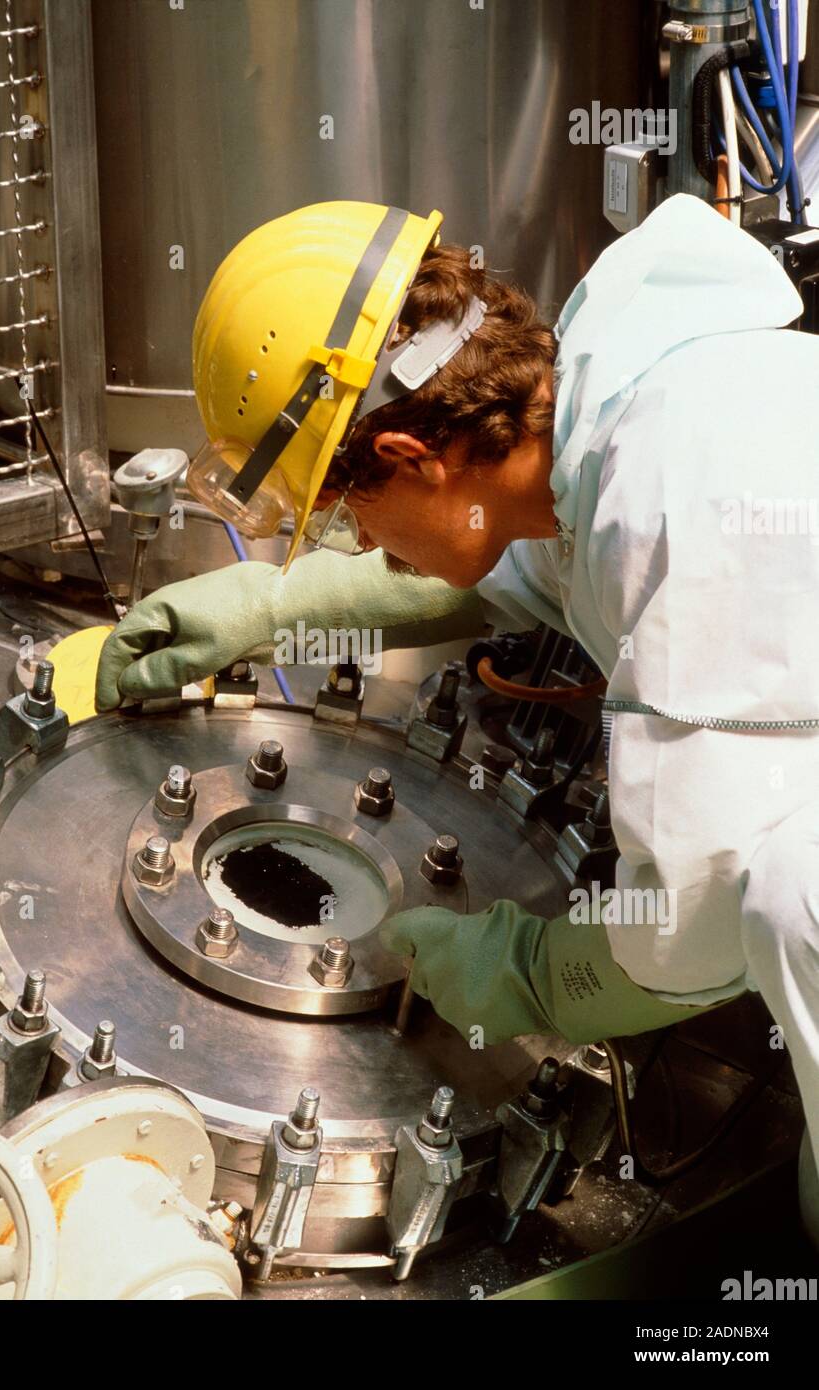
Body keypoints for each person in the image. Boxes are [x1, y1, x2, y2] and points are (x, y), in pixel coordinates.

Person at [96, 198, 819, 1245]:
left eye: (348, 519)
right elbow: (531, 555)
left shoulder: (682, 512)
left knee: (797, 898)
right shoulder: (618, 400)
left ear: (412, 453)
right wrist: (277, 603)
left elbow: (688, 933)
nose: (362, 546)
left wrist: (530, 969)